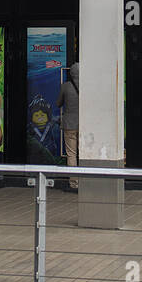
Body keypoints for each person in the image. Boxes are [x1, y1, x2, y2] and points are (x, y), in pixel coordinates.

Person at [55, 63, 80, 191]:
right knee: (85, 153)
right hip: (84, 124)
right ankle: (87, 180)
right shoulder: (87, 86)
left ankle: (74, 183)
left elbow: (58, 103)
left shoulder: (65, 86)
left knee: (71, 154)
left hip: (70, 124)